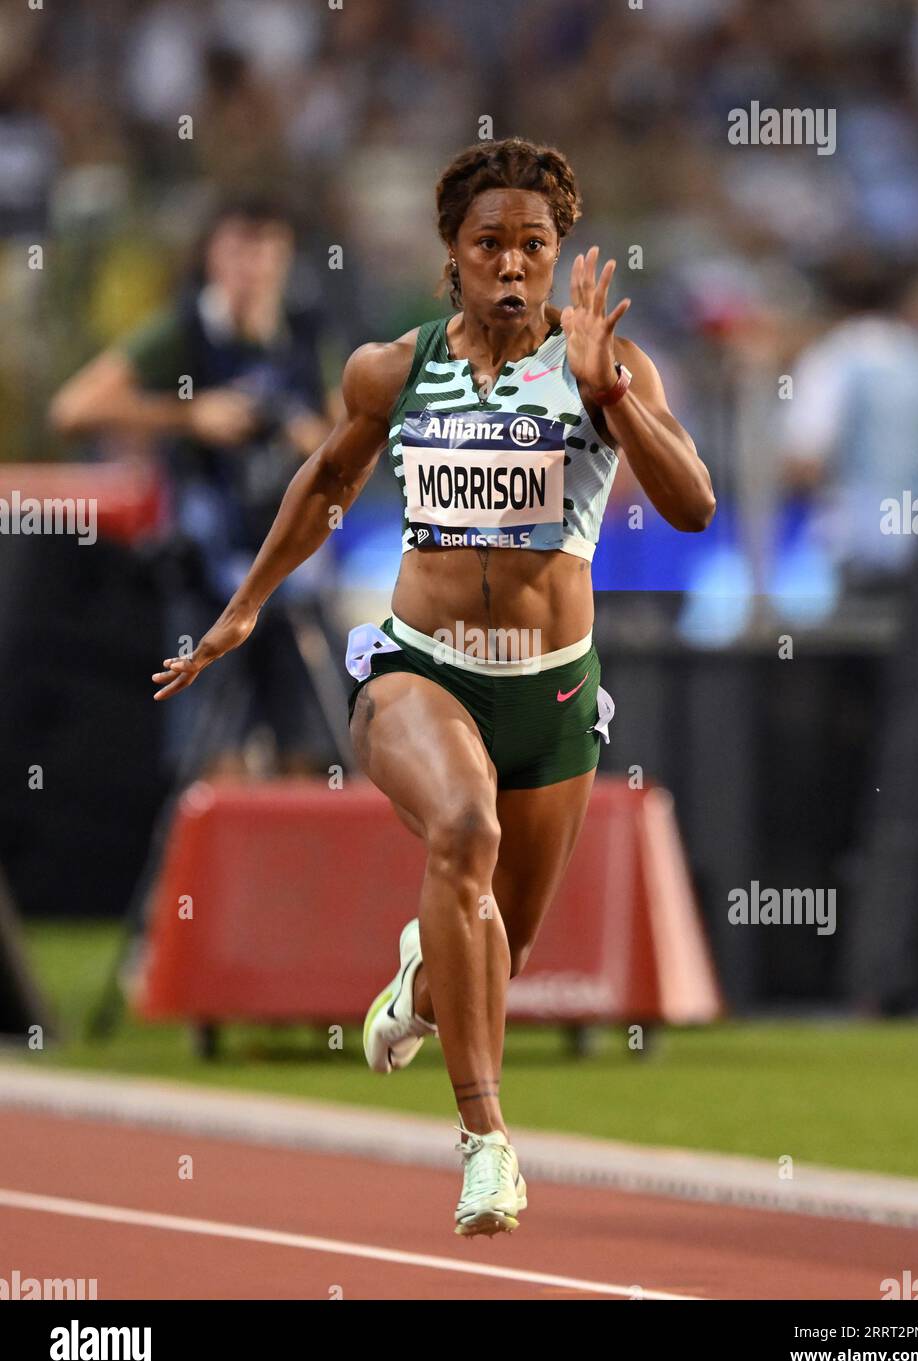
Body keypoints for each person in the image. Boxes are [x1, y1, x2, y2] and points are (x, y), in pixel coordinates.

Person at [151, 139, 715, 1238]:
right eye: (489, 245)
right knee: (463, 830)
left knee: (500, 938)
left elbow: (693, 504)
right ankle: (487, 1141)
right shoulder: (393, 368)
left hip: (552, 694)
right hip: (421, 669)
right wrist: (250, 601)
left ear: (556, 259)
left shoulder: (606, 365)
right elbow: (325, 483)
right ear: (451, 257)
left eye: (533, 247)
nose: (512, 266)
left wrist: (615, 398)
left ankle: (418, 989)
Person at [50, 193, 338, 777]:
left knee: (312, 758)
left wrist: (317, 437)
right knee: (214, 761)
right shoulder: (181, 331)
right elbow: (73, 408)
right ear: (211, 256)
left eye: (265, 250)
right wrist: (190, 415)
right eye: (235, 249)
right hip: (208, 575)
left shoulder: (307, 335)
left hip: (293, 576)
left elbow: (351, 423)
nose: (250, 268)